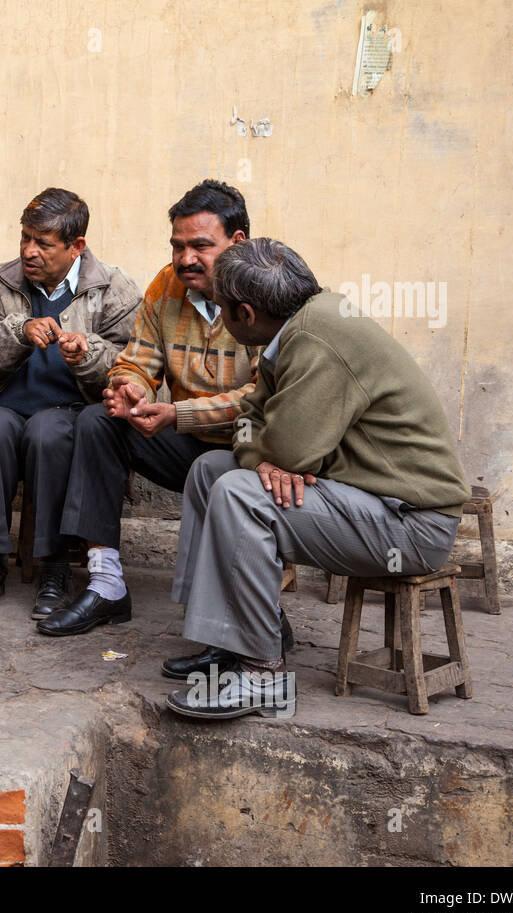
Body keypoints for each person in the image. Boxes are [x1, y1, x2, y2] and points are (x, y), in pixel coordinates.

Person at [164, 238, 470, 720]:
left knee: (241, 495)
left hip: (412, 524)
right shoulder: (294, 327)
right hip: (363, 501)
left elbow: (291, 450)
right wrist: (259, 456)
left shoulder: (316, 338)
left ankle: (262, 673)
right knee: (209, 471)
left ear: (245, 312)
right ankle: (233, 635)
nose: (219, 318)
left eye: (221, 309)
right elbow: (249, 420)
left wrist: (269, 456)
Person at [40, 180, 266, 637]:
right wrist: (130, 389)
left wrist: (178, 415)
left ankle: (248, 618)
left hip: (249, 455)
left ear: (237, 242)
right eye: (178, 246)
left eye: (201, 246)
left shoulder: (266, 293)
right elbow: (137, 360)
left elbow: (263, 397)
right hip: (185, 443)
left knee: (224, 464)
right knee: (99, 421)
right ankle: (107, 585)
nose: (185, 259)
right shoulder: (167, 285)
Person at [0, 188, 140, 617]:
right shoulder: (1, 281)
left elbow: (134, 363)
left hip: (71, 410)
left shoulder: (113, 288)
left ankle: (53, 563)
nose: (29, 251)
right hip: (7, 403)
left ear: (77, 247)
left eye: (43, 242)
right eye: (25, 238)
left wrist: (87, 352)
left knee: (49, 432)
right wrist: (16, 331)